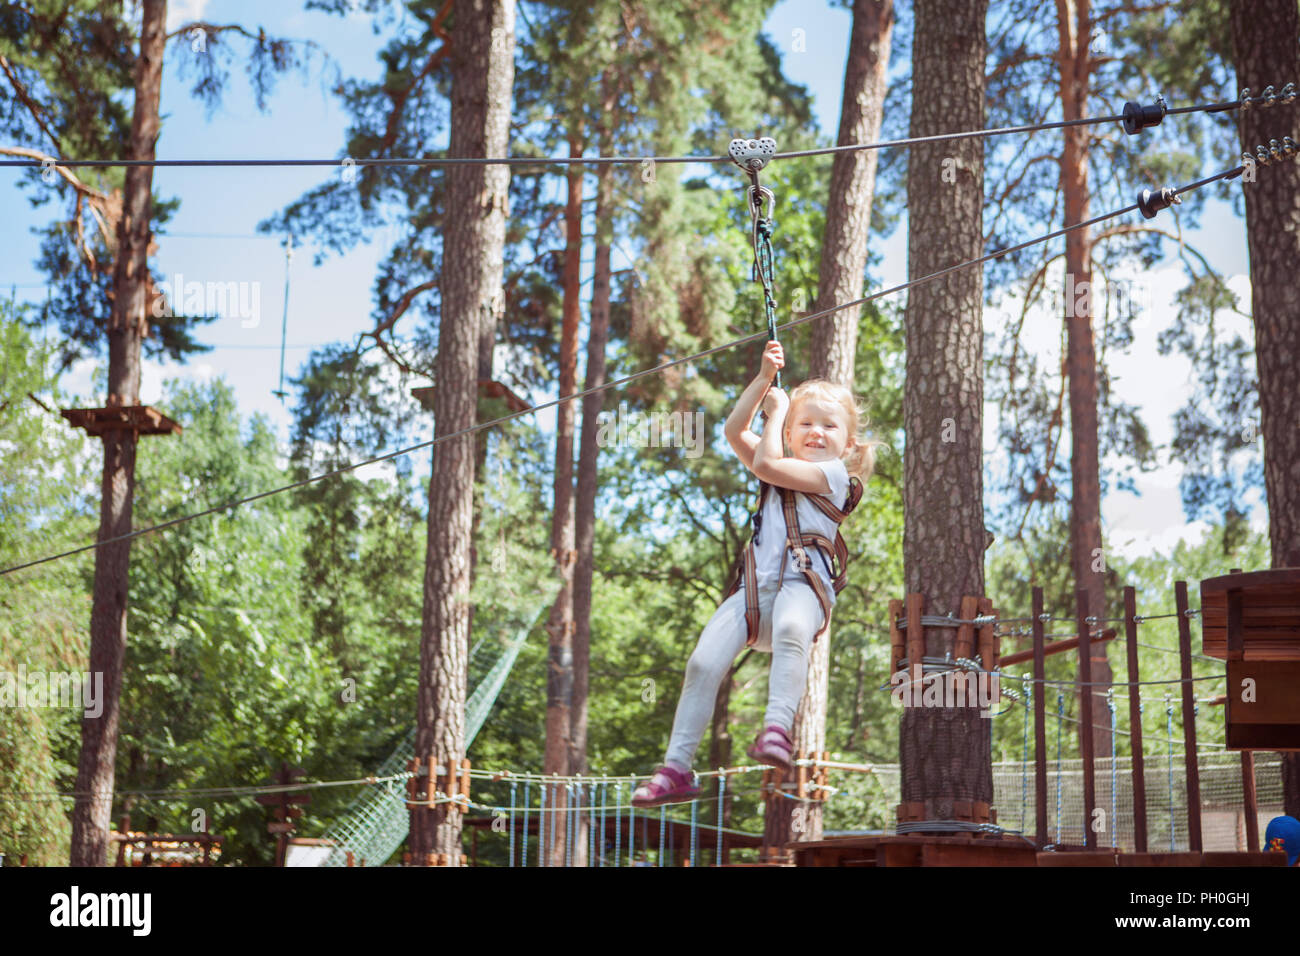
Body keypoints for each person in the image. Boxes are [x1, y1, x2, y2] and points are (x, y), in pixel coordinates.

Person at [632, 340, 882, 807]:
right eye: (804, 424)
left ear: (847, 444)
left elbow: (766, 462)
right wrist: (765, 380)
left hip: (802, 590)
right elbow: (732, 430)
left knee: (790, 629)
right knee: (702, 664)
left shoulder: (834, 476)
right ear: (790, 434)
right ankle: (676, 769)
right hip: (754, 592)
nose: (815, 432)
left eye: (829, 426)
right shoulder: (779, 462)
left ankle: (776, 730)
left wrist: (779, 413)